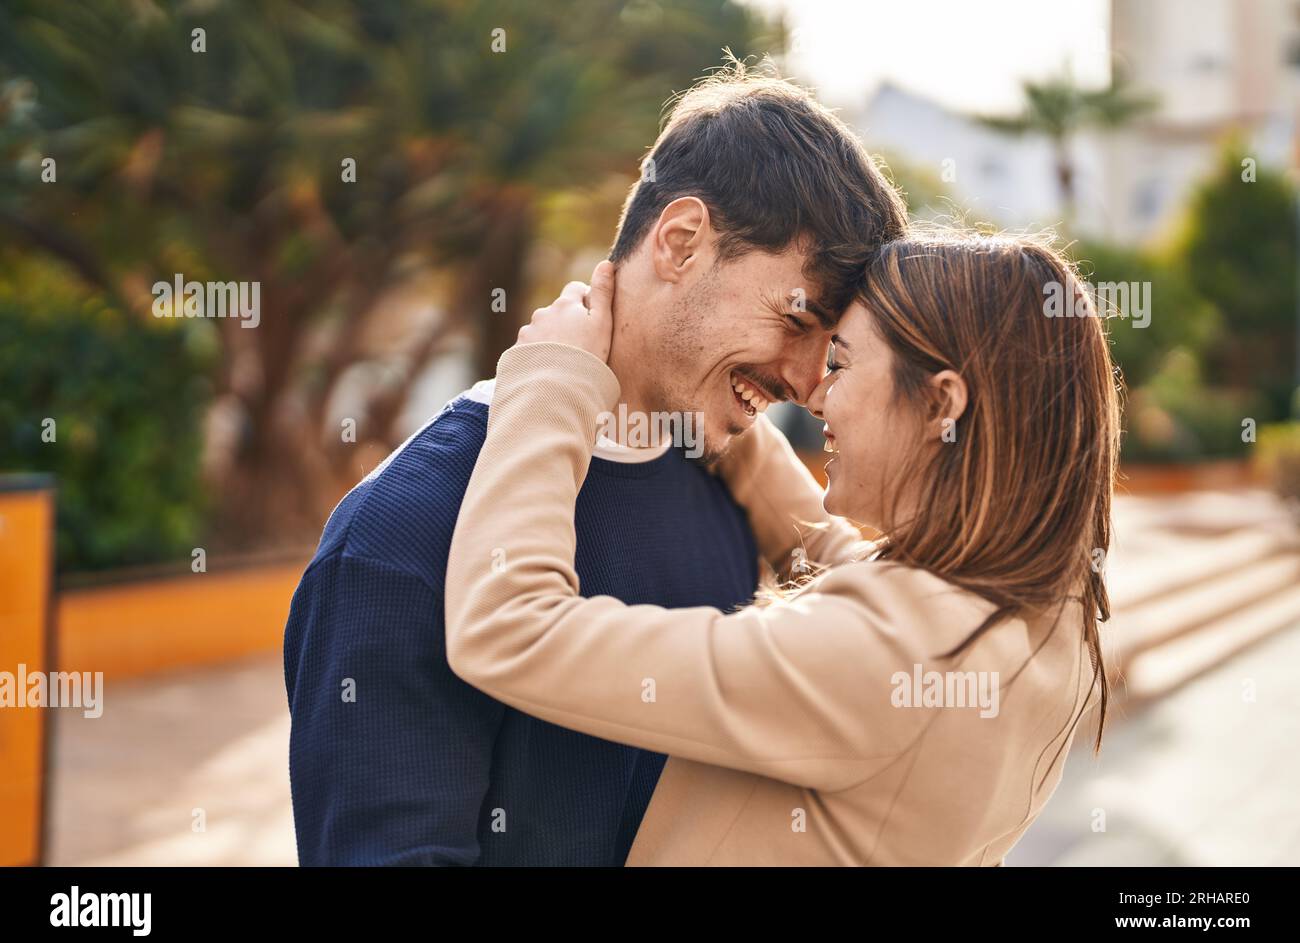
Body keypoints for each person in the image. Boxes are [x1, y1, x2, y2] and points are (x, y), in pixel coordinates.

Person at [283, 64, 907, 865]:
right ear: (680, 243)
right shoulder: (398, 535)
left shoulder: (722, 485)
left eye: (831, 347)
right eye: (798, 317)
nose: (805, 379)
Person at [444, 230, 1119, 865]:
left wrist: (553, 379)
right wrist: (706, 391)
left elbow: (508, 627)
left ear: (942, 404)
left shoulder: (887, 654)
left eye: (843, 363)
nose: (815, 394)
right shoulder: (1043, 619)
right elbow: (829, 550)